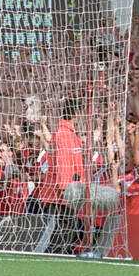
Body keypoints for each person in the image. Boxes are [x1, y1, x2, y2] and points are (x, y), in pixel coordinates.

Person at [39, 101, 88, 255]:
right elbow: (64, 162)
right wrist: (67, 188)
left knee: (67, 225)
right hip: (65, 191)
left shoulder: (66, 132)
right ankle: (54, 255)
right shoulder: (64, 134)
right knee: (66, 225)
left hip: (67, 188)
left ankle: (56, 254)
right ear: (76, 114)